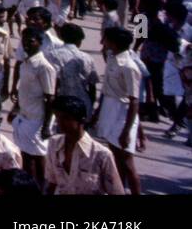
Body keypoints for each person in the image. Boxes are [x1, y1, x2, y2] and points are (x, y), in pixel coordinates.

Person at [91, 26, 142, 195]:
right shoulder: (113, 58)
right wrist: (97, 114)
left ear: (114, 42)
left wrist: (127, 131)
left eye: (105, 39)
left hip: (122, 114)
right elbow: (106, 90)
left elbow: (134, 101)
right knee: (115, 157)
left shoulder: (129, 66)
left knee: (127, 161)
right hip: (110, 110)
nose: (101, 42)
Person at [46, 95, 125, 195]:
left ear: (81, 120)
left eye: (66, 118)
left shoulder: (101, 155)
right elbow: (52, 182)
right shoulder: (54, 144)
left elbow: (116, 191)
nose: (60, 122)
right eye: (57, 117)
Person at [10, 26, 57, 184]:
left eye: (31, 41)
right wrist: (15, 109)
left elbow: (49, 98)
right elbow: (23, 90)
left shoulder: (44, 67)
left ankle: (41, 187)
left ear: (39, 43)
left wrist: (45, 126)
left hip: (37, 120)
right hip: (24, 116)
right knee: (25, 157)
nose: (26, 45)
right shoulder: (25, 63)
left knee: (37, 159)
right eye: (24, 41)